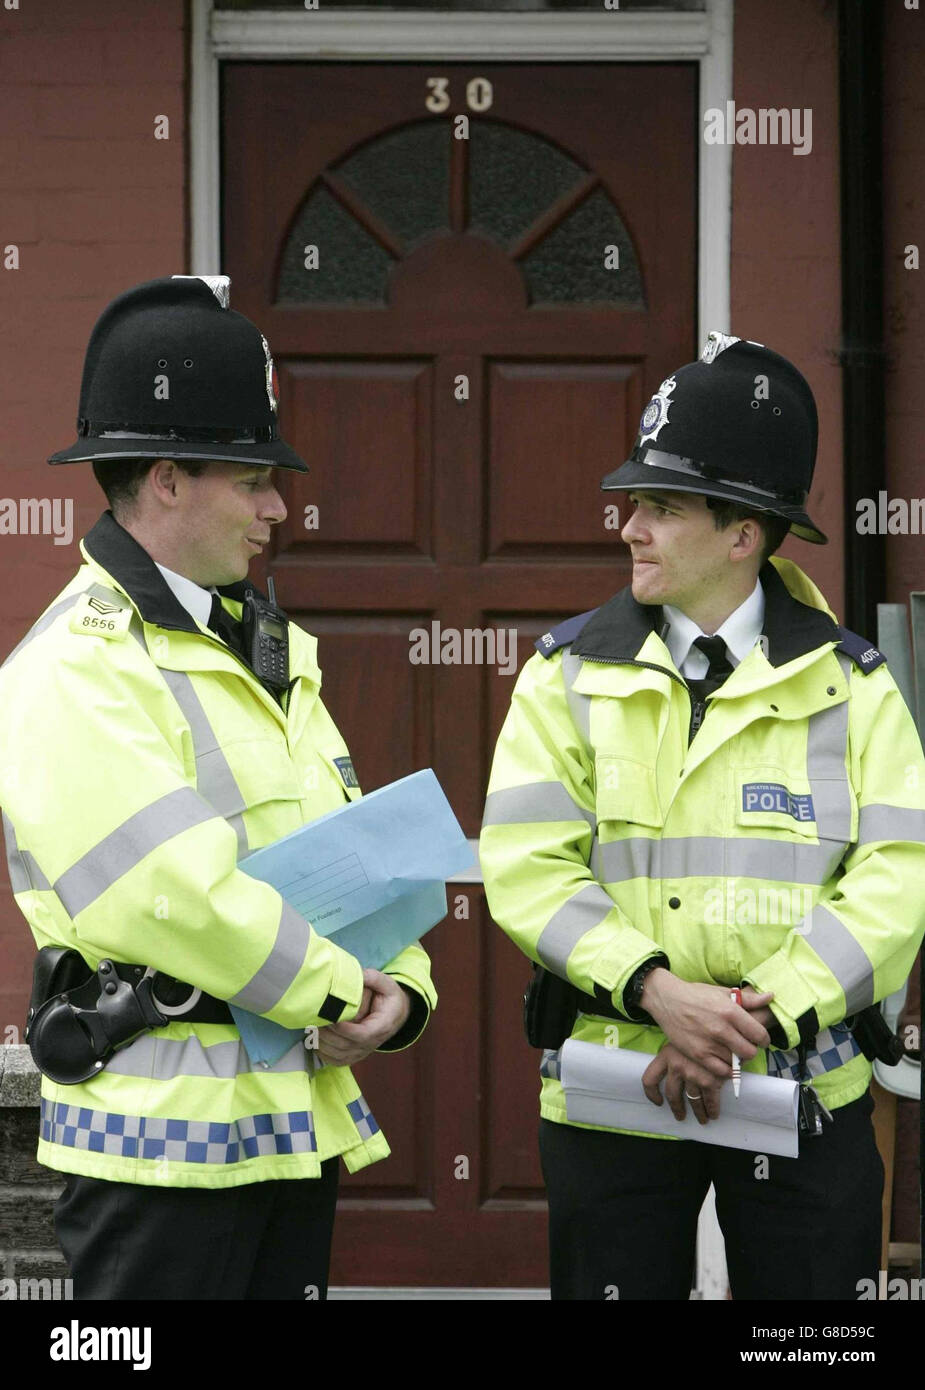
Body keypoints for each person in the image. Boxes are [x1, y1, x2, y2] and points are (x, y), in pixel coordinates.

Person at [0, 275, 436, 1300]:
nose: (280, 508)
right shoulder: (75, 667)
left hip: (283, 1132)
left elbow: (355, 850)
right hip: (154, 1163)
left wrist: (403, 989)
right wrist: (343, 988)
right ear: (165, 479)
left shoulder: (259, 648)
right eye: (253, 479)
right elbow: (172, 891)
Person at [479, 331, 925, 1301]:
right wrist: (653, 990)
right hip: (612, 1090)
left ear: (744, 533)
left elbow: (900, 876)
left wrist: (756, 1014)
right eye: (634, 502)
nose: (627, 526)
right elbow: (523, 862)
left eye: (661, 506)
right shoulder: (563, 676)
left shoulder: (854, 688)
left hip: (802, 1091)